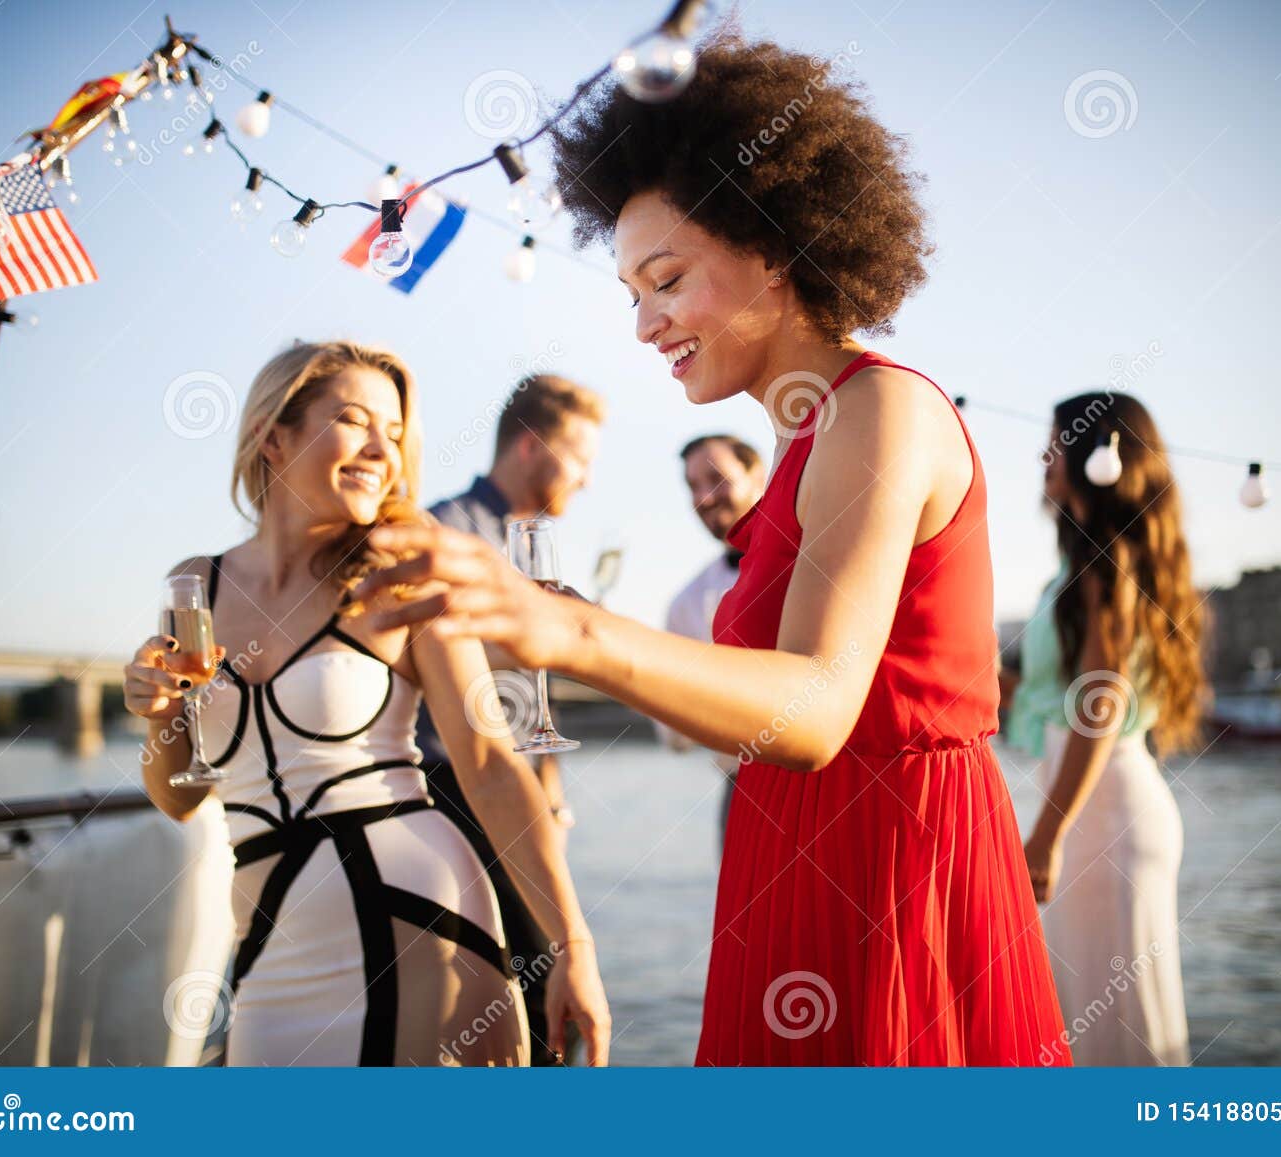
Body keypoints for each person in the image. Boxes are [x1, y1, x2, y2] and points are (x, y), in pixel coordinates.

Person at [349, 37, 1071, 1066]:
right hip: (794, 852)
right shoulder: (797, 438)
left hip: (891, 870)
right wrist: (542, 624)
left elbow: (816, 706)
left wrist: (573, 629)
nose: (643, 324)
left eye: (665, 279)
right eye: (631, 294)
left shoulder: (881, 408)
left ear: (771, 247)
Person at [123, 340, 609, 1067]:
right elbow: (183, 798)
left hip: (411, 920)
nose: (382, 448)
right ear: (272, 434)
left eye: (394, 431)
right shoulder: (195, 586)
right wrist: (160, 715)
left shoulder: (408, 570)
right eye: (355, 420)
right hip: (266, 946)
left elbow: (487, 764)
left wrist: (573, 944)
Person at [1009, 392, 1204, 1066]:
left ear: (1100, 454)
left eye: (1054, 444)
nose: (1043, 458)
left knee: (1123, 1036)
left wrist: (1045, 834)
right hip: (1092, 809)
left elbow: (1101, 705)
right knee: (1095, 1030)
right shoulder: (1081, 567)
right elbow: (1053, 697)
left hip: (1106, 817)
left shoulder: (1107, 563)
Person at [414, 372, 603, 1065]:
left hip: (520, 798)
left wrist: (550, 782)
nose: (586, 477)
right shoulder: (445, 533)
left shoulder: (531, 548)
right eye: (579, 454)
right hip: (455, 795)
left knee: (551, 987)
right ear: (529, 446)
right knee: (526, 988)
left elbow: (528, 690)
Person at [655, 434, 766, 846]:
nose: (704, 498)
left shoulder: (816, 561)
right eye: (692, 486)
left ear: (758, 475)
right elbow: (676, 738)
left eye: (716, 479)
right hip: (745, 796)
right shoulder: (686, 603)